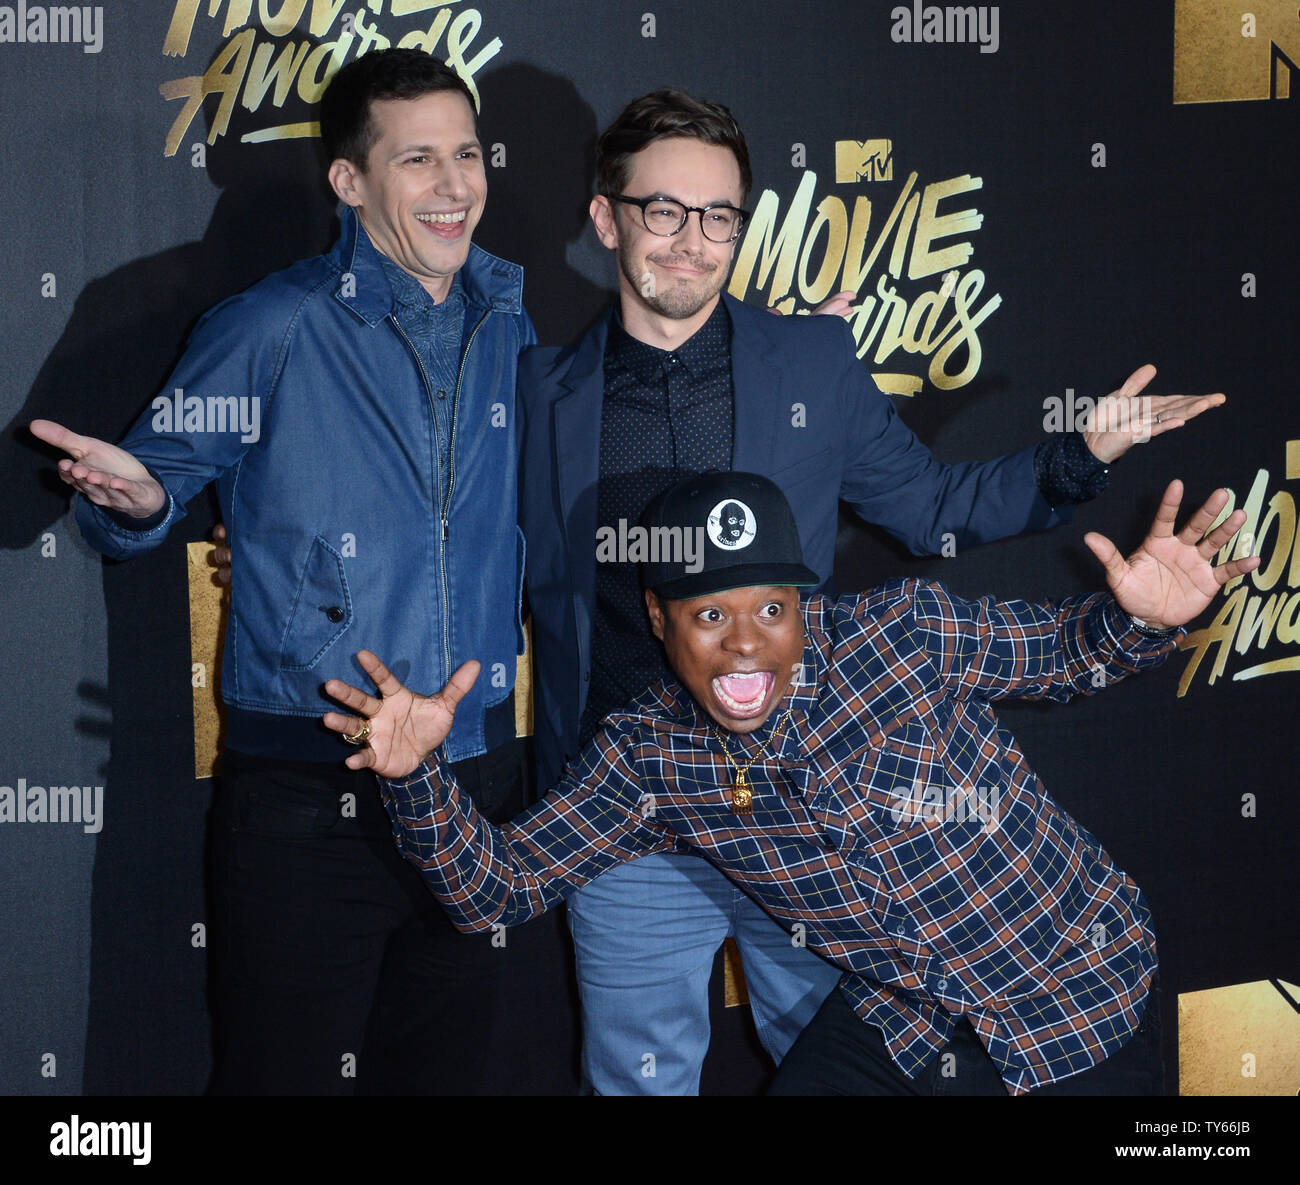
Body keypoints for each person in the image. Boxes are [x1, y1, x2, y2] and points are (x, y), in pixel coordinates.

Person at [515, 88, 1225, 1093]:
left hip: (803, 818)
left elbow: (933, 505)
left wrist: (1080, 450)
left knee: (836, 1066)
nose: (691, 241)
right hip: (630, 810)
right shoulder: (531, 394)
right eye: (661, 210)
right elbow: (472, 558)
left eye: (718, 215)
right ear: (605, 217)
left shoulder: (808, 359)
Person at [321, 470, 1256, 1095]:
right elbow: (495, 889)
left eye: (772, 607)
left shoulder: (902, 635)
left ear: (805, 604)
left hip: (1076, 991)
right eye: (710, 613)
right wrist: (418, 778)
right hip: (907, 1021)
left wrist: (1135, 623)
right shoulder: (649, 756)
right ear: (658, 616)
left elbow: (1059, 654)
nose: (744, 643)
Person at [29, 49, 541, 1095]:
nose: (455, 185)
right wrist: (142, 500)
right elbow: (153, 485)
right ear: (350, 183)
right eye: (418, 160)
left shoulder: (514, 323)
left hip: (475, 784)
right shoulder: (273, 322)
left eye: (467, 153)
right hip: (311, 796)